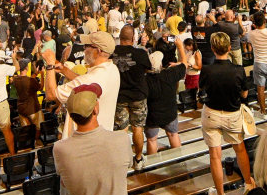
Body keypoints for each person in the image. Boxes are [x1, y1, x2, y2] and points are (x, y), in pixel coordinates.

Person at [197, 33, 255, 195]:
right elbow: (245, 94)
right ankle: (249, 184)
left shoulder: (207, 70)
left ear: (213, 49)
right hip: (232, 114)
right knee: (240, 149)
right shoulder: (238, 69)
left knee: (215, 155)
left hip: (212, 114)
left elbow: (202, 90)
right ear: (230, 48)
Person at [44, 29, 120, 139]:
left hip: (82, 140)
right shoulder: (113, 69)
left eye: (87, 46)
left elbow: (51, 95)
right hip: (103, 135)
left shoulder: (90, 79)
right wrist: (65, 70)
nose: (84, 49)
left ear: (98, 50)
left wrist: (49, 65)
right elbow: (86, 82)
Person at [114, 25, 153, 170]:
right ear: (133, 38)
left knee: (121, 130)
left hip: (120, 96)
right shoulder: (140, 53)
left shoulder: (112, 53)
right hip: (138, 95)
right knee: (138, 128)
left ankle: (123, 161)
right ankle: (138, 158)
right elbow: (149, 68)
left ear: (120, 38)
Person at [143, 50, 184, 154]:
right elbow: (184, 64)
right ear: (160, 64)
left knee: (152, 140)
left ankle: (152, 166)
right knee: (173, 135)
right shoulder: (169, 74)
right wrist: (180, 47)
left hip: (152, 115)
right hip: (170, 113)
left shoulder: (145, 80)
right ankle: (180, 161)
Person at [245, 11, 267, 113]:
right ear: (264, 21)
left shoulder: (251, 34)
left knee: (260, 88)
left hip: (259, 63)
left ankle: (263, 111)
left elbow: (249, 39)